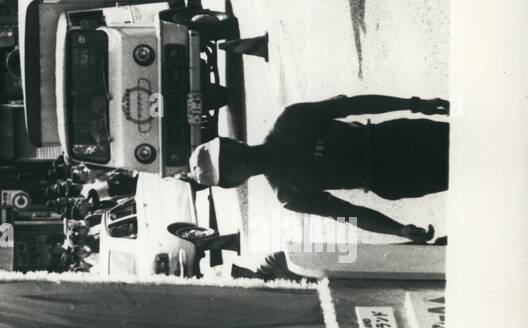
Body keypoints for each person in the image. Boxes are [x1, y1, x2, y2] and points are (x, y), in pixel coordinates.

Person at [184, 96, 450, 241]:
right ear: (233, 182)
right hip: (395, 179)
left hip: (397, 136)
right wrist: (397, 229)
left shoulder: (290, 120)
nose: (236, 160)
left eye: (228, 152)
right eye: (228, 167)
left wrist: (414, 104)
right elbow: (346, 213)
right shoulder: (287, 195)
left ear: (234, 141)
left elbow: (354, 105)